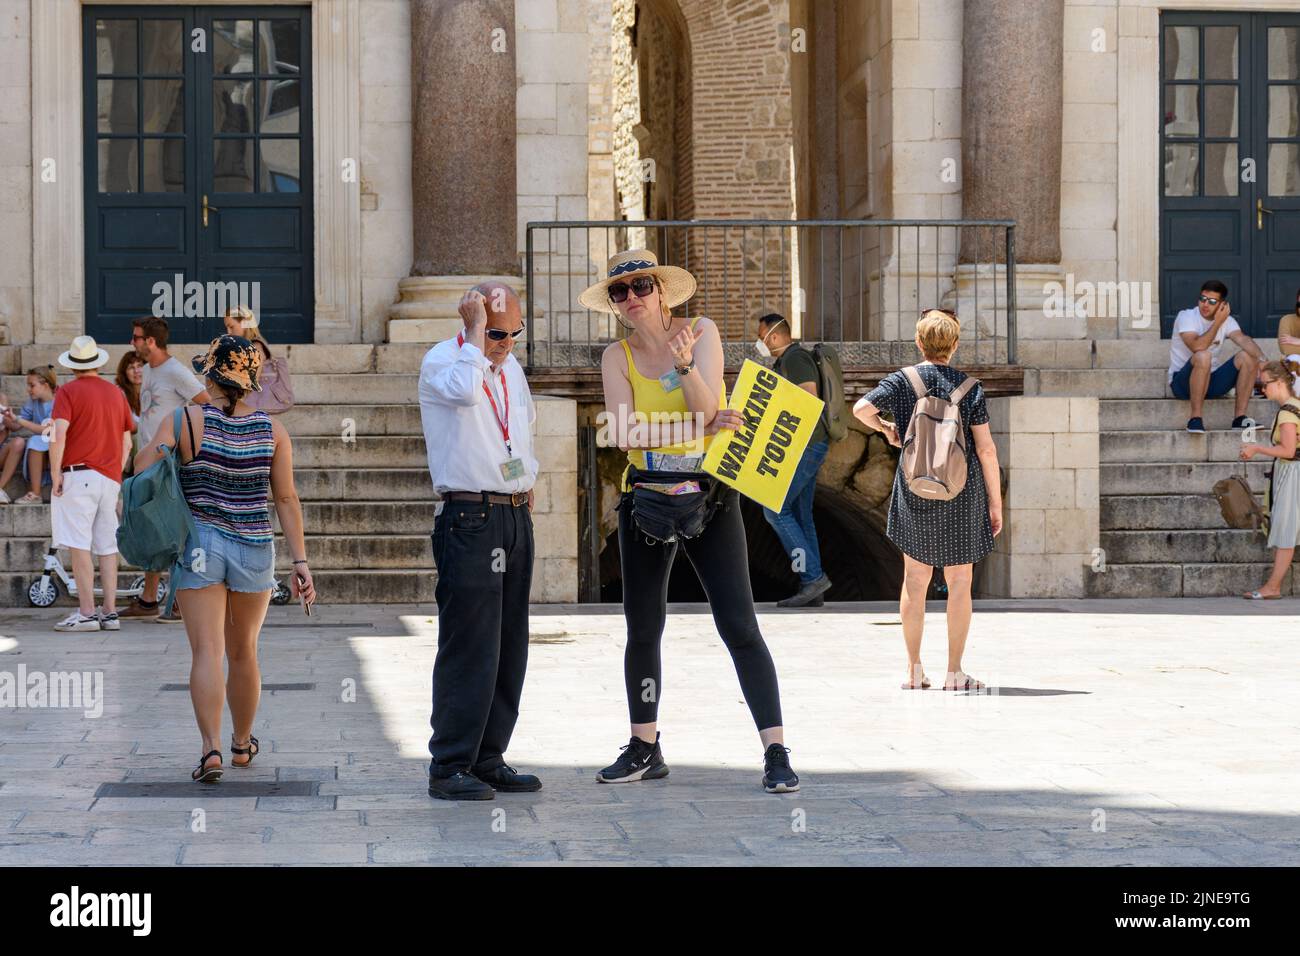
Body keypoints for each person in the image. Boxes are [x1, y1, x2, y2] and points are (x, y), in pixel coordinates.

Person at [585, 249, 799, 793]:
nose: (631, 299)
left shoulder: (701, 333)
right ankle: (644, 745)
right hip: (646, 500)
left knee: (739, 624)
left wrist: (683, 371)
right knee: (643, 628)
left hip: (710, 497)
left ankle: (776, 750)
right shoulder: (617, 357)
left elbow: (706, 409)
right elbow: (622, 433)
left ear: (661, 289)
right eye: (619, 292)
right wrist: (696, 426)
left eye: (640, 287)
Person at [134, 335, 314, 783]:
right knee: (244, 652)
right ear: (253, 381)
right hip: (255, 544)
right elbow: (286, 498)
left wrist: (164, 447)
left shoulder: (185, 419)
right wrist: (301, 562)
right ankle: (241, 744)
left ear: (210, 375)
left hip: (200, 544)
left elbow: (141, 469)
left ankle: (210, 749)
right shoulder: (273, 431)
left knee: (207, 652)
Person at [418, 281, 542, 801]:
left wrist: (527, 477)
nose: (506, 343)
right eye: (496, 332)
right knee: (469, 643)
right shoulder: (444, 361)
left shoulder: (510, 367)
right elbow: (468, 394)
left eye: (514, 333)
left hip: (513, 515)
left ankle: (488, 756)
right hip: (469, 516)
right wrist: (473, 338)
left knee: (509, 643)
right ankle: (449, 763)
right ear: (471, 320)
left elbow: (524, 426)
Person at [853, 309, 1003, 691]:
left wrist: (887, 429)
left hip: (915, 487)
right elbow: (985, 450)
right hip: (961, 492)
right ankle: (955, 672)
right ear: (954, 345)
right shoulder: (971, 388)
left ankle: (914, 669)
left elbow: (860, 409)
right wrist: (995, 502)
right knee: (959, 581)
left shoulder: (902, 381)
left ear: (919, 343)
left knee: (914, 580)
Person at [119, 317, 209, 622]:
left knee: (172, 530)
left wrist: (182, 445)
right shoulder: (148, 370)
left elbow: (205, 403)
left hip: (168, 463)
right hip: (148, 462)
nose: (133, 342)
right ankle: (148, 600)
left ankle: (179, 599)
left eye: (136, 337)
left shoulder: (175, 371)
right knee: (151, 527)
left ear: (151, 342)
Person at [48, 336, 137, 632]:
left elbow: (59, 435)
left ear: (72, 365)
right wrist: (117, 472)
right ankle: (110, 613)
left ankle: (86, 612)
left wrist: (56, 473)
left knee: (78, 545)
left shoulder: (67, 392)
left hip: (78, 475)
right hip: (109, 478)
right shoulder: (116, 393)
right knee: (107, 545)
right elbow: (127, 441)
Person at [754, 312, 832, 608]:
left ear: (774, 336)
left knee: (774, 509)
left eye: (761, 337)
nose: (759, 342)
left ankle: (813, 578)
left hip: (807, 445)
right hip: (806, 445)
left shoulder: (795, 359)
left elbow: (809, 399)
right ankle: (811, 585)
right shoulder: (786, 361)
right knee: (801, 515)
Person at [1167, 280, 1265, 434]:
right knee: (1203, 355)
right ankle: (1195, 419)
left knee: (1248, 356)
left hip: (1211, 383)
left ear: (1222, 305)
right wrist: (1218, 322)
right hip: (1182, 383)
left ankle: (1240, 419)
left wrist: (1263, 361)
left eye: (1212, 301)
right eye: (1203, 299)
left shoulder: (1229, 321)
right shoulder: (1186, 316)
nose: (1205, 304)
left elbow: (1243, 339)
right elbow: (1197, 346)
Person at [1241, 360, 1300, 600]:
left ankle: (1273, 587)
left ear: (1278, 382)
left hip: (1292, 473)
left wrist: (1256, 448)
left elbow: (1287, 450)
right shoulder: (1296, 405)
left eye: (1264, 385)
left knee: (1286, 530)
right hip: (1292, 471)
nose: (1263, 390)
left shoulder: (1287, 412)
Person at [0, 367, 58, 503]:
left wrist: (18, 419)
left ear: (45, 385)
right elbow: (16, 426)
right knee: (32, 441)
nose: (28, 389)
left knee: (35, 441)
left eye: (32, 385)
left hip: (58, 447)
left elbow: (47, 431)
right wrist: (7, 417)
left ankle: (36, 493)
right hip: (43, 449)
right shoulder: (33, 402)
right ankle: (35, 493)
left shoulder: (59, 400)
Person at [224, 307, 294, 414]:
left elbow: (251, 381)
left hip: (252, 409)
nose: (228, 332)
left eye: (231, 327)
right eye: (226, 328)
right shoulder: (246, 347)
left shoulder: (255, 346)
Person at [115, 352, 144, 478]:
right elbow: (124, 426)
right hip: (127, 446)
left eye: (140, 366)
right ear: (124, 372)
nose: (137, 371)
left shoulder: (153, 390)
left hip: (147, 445)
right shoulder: (119, 393)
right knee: (138, 437)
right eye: (131, 367)